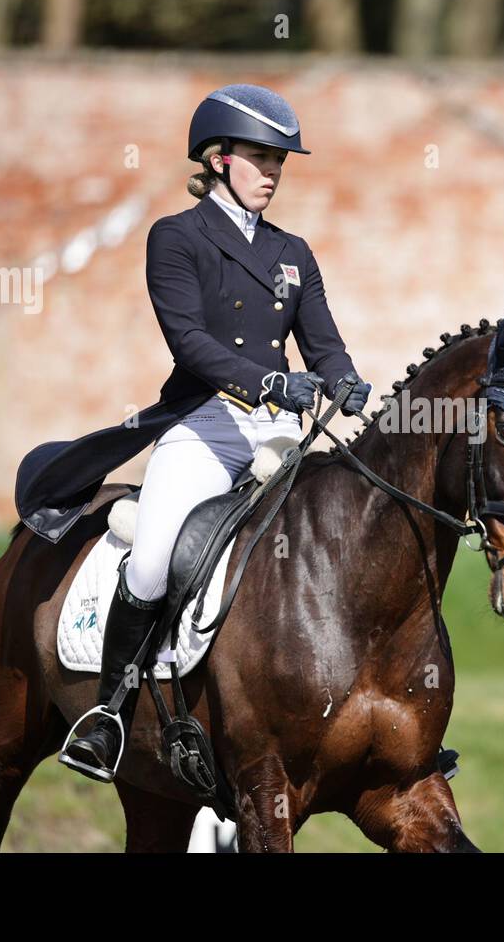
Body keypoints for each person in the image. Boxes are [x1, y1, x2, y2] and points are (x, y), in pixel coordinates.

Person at [60, 84, 374, 781]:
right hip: (206, 425)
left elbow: (321, 342)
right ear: (218, 157)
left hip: (280, 433)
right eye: (260, 158)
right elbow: (191, 342)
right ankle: (109, 712)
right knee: (150, 559)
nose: (272, 173)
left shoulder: (294, 251)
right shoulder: (177, 237)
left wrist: (345, 377)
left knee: (335, 548)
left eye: (280, 162)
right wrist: (266, 382)